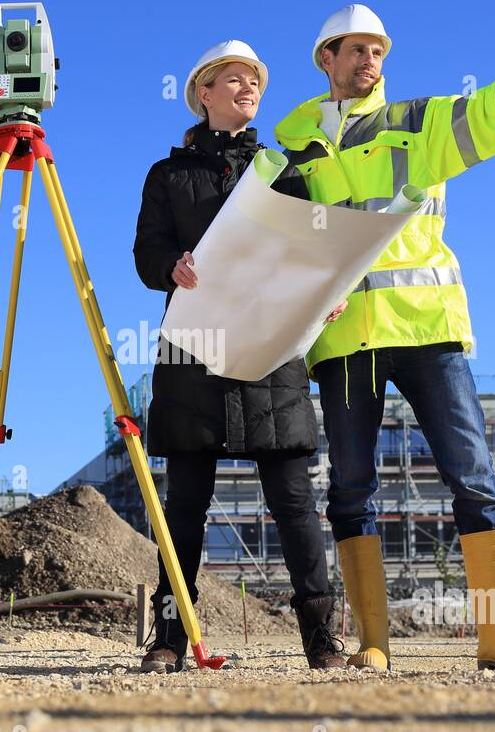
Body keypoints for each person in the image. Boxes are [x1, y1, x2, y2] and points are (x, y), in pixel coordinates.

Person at [274, 5, 495, 671]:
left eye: (378, 51)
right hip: (343, 343)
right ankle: (373, 644)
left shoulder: (419, 123)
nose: (370, 61)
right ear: (326, 59)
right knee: (351, 490)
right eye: (356, 50)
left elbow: (493, 117)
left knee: (474, 479)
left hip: (427, 326)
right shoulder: (294, 150)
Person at [133, 40, 345, 673]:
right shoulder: (168, 176)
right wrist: (172, 265)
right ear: (204, 92)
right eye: (234, 79)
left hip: (270, 347)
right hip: (194, 349)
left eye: (254, 80)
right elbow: (146, 257)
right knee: (185, 504)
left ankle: (322, 641)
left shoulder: (282, 169)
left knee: (294, 501)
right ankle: (170, 638)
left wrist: (324, 295)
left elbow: (314, 249)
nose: (248, 88)